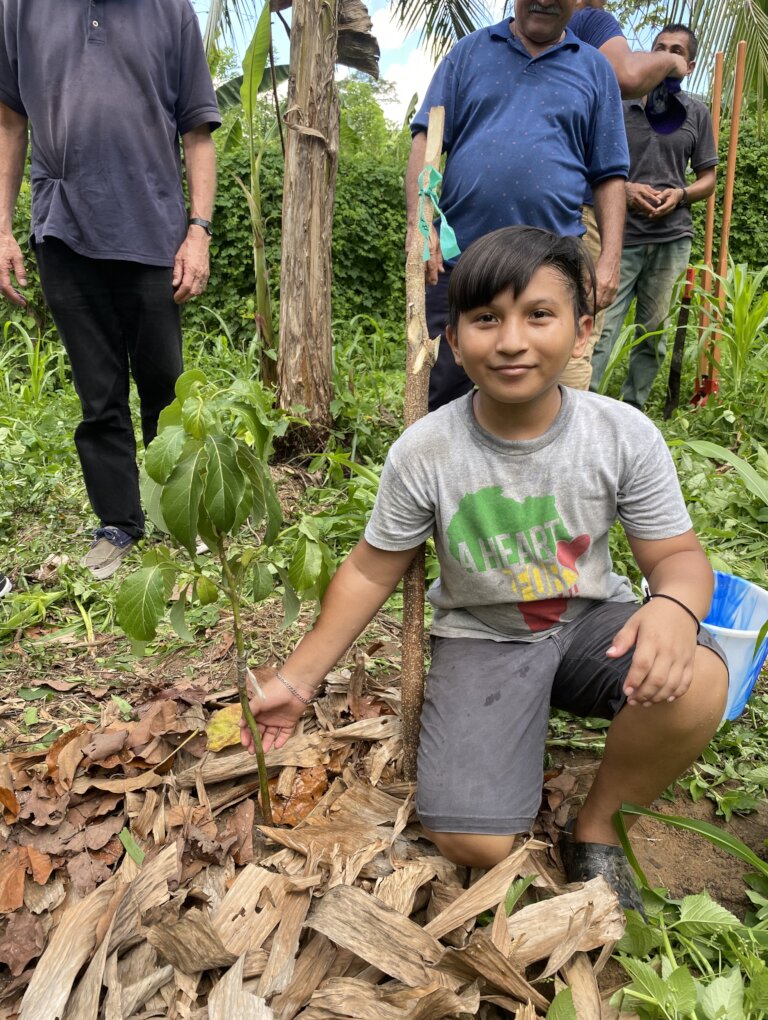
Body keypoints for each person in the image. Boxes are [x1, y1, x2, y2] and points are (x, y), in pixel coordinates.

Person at [240, 226, 728, 912]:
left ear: (583, 331)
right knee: (473, 841)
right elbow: (371, 572)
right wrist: (296, 679)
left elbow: (676, 557)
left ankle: (599, 827)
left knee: (701, 677)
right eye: (486, 319)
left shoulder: (621, 434)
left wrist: (676, 610)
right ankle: (505, 748)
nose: (512, 340)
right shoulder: (427, 452)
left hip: (594, 627)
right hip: (484, 639)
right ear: (454, 341)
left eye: (539, 314)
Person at [0, 1, 220, 579]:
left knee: (164, 390)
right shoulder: (18, 9)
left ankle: (178, 520)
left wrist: (197, 232)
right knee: (98, 394)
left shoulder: (173, 11)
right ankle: (119, 524)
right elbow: (9, 123)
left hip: (152, 231)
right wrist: (1, 228)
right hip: (62, 230)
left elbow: (198, 132)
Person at [405, 0, 630, 412]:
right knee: (442, 394)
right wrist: (422, 227)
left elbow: (610, 173)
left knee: (554, 402)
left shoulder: (594, 69)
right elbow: (428, 140)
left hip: (552, 269)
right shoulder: (468, 53)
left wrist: (610, 258)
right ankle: (438, 477)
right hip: (462, 262)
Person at [589, 25, 717, 408]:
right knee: (600, 326)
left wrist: (680, 195)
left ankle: (634, 409)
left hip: (671, 237)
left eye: (675, 50)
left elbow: (708, 178)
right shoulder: (618, 103)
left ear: (688, 65)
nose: (666, 54)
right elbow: (593, 166)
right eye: (659, 47)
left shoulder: (697, 112)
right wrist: (624, 191)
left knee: (654, 330)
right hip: (619, 234)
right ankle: (587, 405)